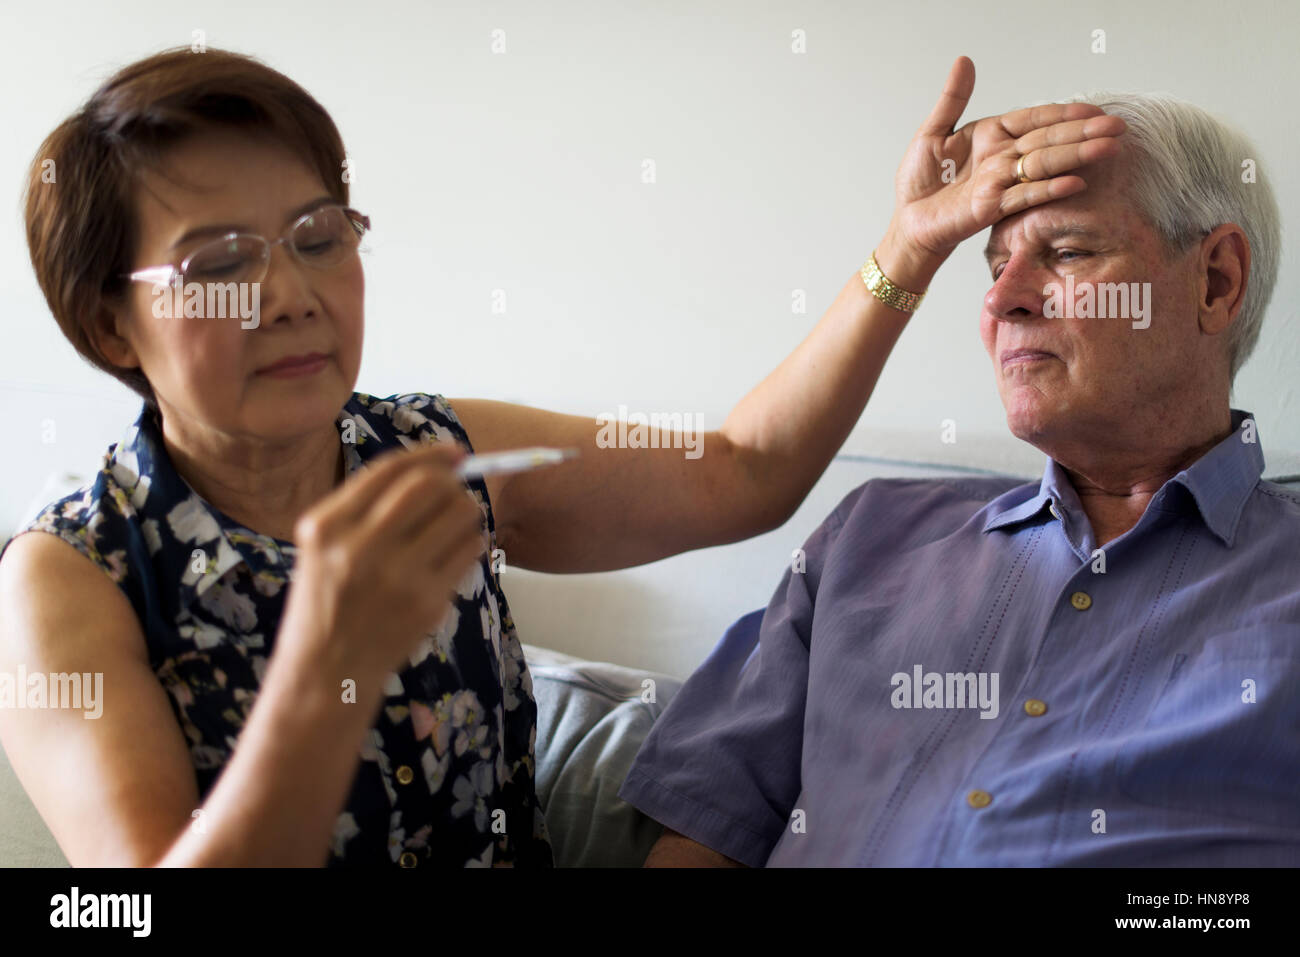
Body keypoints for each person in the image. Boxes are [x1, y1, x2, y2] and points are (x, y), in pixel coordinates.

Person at [0, 48, 1121, 866]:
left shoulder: (436, 451)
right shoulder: (67, 579)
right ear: (109, 326)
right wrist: (323, 667)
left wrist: (907, 247)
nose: (292, 294)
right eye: (220, 264)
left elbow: (742, 467)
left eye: (317, 236)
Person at [621, 86, 1297, 867]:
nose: (1002, 298)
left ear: (1215, 282)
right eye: (996, 263)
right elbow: (704, 836)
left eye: (1069, 252)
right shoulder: (866, 538)